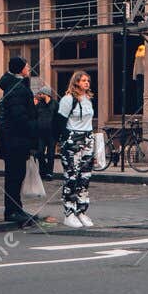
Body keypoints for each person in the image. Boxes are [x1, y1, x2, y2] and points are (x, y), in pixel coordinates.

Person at [0, 61, 41, 226]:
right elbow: (19, 117)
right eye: (27, 66)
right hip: (16, 141)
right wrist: (34, 127)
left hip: (14, 140)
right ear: (20, 69)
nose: (29, 68)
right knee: (15, 176)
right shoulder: (18, 90)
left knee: (16, 176)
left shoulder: (15, 87)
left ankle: (16, 208)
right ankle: (12, 210)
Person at [55, 70, 97, 228]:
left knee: (84, 177)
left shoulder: (88, 99)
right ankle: (69, 212)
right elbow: (60, 122)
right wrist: (63, 141)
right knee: (71, 177)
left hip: (87, 138)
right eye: (83, 80)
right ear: (76, 82)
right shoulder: (68, 99)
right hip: (73, 139)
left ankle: (81, 211)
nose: (86, 83)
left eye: (88, 80)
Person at [33, 80, 58, 179]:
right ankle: (42, 171)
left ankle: (49, 173)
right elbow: (34, 117)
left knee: (51, 154)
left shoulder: (55, 104)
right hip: (41, 134)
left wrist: (58, 133)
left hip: (52, 134)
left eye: (41, 93)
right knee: (39, 153)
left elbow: (58, 119)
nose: (39, 95)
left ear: (46, 94)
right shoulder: (39, 105)